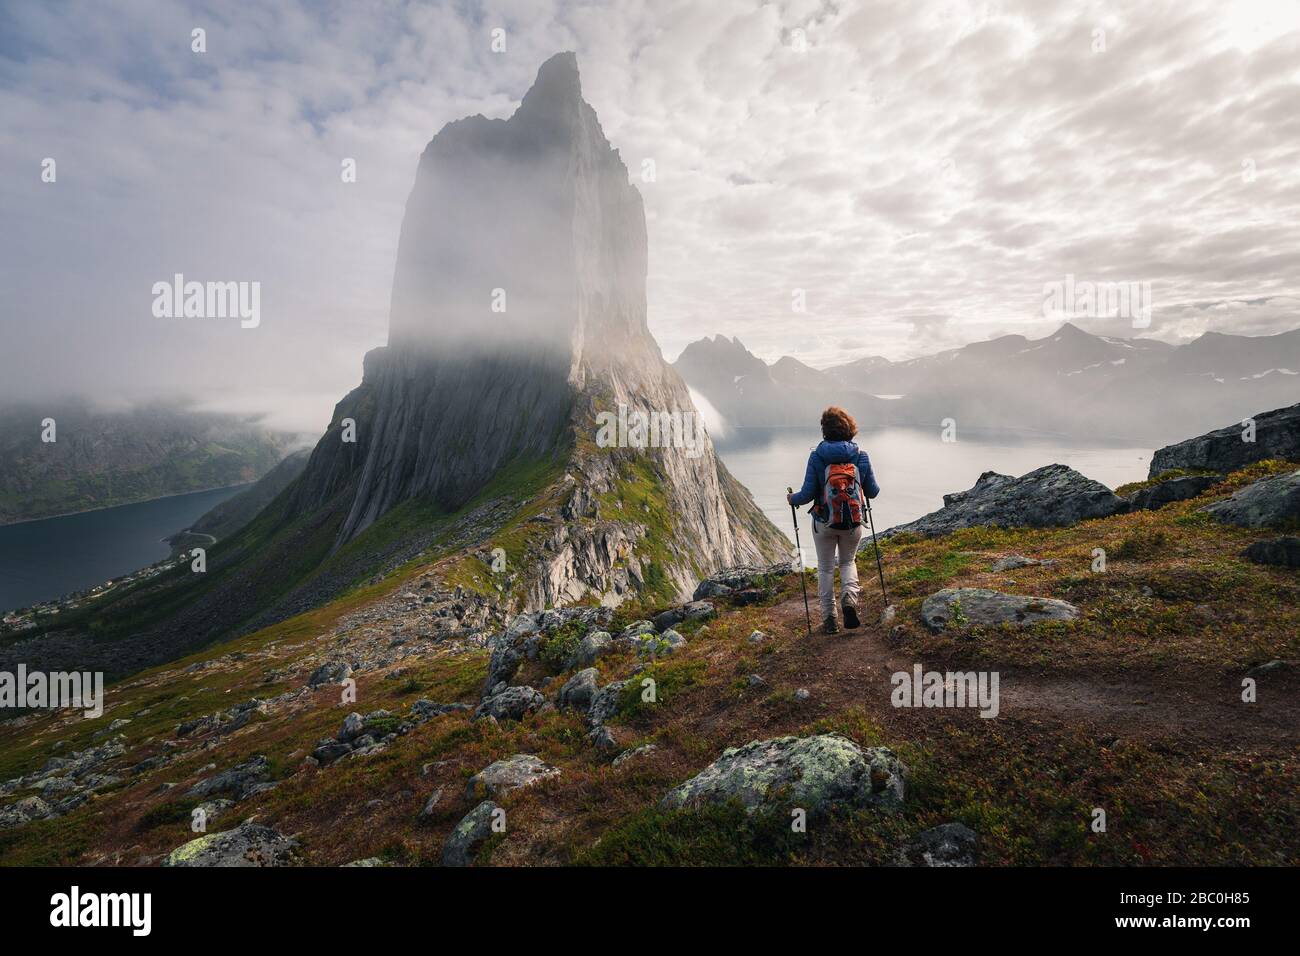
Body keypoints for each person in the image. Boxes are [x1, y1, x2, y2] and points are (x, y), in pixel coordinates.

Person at [787, 406, 880, 634]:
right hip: (853, 523)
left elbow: (807, 494)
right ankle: (849, 599)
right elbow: (873, 491)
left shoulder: (817, 457)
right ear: (850, 428)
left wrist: (792, 498)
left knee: (826, 569)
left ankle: (829, 619)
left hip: (823, 522)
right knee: (848, 562)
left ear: (825, 430)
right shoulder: (861, 456)